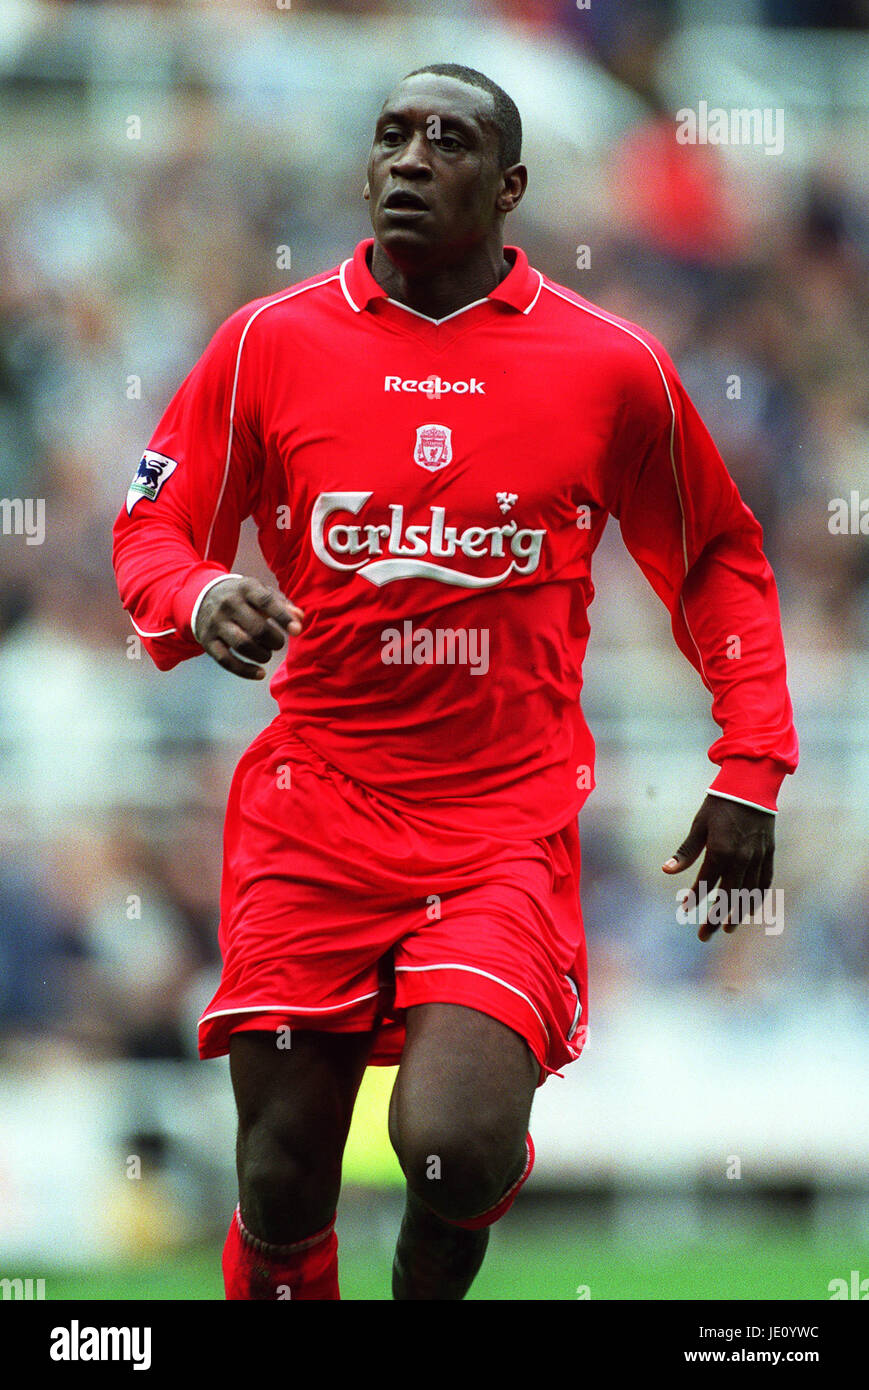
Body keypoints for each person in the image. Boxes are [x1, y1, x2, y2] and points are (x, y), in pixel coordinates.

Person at [112, 63, 798, 1300]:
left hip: (499, 825)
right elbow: (153, 529)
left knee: (450, 1151)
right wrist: (200, 596)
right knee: (278, 1179)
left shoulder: (608, 367)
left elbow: (713, 557)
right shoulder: (267, 342)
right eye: (392, 137)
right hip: (312, 808)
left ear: (512, 186)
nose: (412, 160)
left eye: (449, 140)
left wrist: (748, 764)